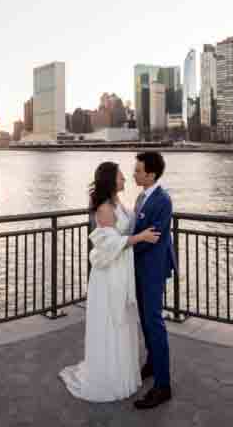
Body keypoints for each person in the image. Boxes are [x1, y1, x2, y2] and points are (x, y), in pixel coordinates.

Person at [59, 161, 158, 402]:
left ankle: (123, 372)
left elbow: (128, 223)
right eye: (121, 176)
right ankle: (108, 377)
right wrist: (141, 237)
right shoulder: (104, 208)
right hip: (109, 273)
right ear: (111, 181)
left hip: (121, 269)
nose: (125, 179)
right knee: (112, 319)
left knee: (123, 319)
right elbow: (111, 243)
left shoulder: (118, 203)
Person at [131, 151, 175, 409]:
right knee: (145, 320)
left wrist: (122, 248)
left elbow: (153, 236)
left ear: (150, 174)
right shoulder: (141, 197)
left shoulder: (162, 200)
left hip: (152, 270)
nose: (134, 174)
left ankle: (163, 385)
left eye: (137, 170)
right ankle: (151, 362)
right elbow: (139, 231)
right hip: (139, 268)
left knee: (154, 322)